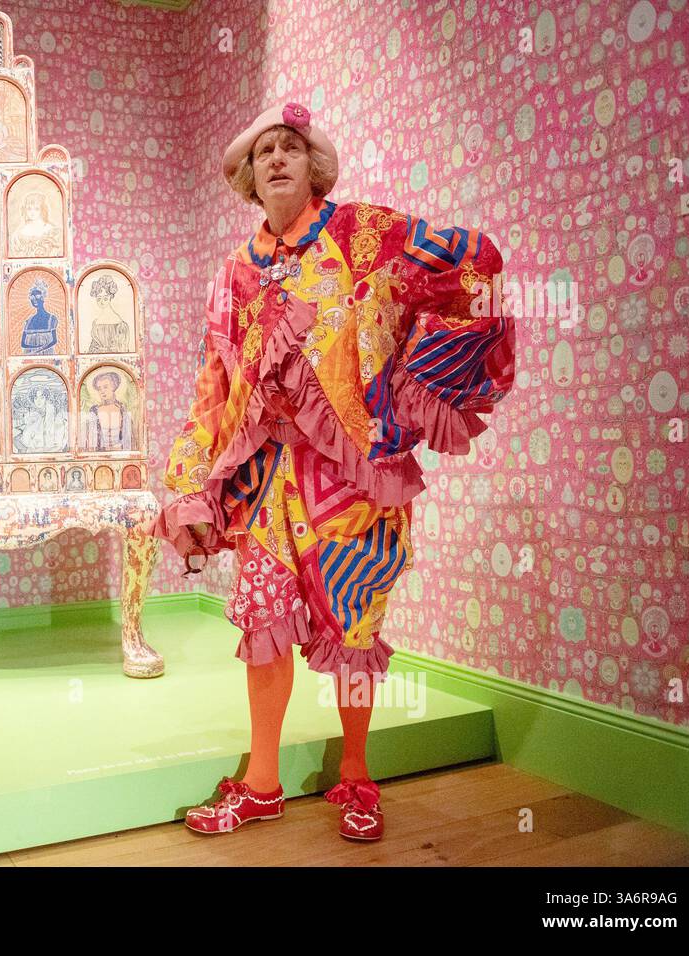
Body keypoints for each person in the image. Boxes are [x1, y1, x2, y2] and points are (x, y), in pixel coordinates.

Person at [139, 101, 516, 841]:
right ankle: (263, 783)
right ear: (249, 178)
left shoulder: (363, 234)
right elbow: (214, 380)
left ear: (314, 166)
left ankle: (355, 773)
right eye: (264, 152)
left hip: (356, 478)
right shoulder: (232, 276)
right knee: (262, 622)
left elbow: (472, 266)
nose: (277, 158)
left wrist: (411, 384)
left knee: (355, 626)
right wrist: (190, 481)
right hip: (267, 482)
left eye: (291, 147)